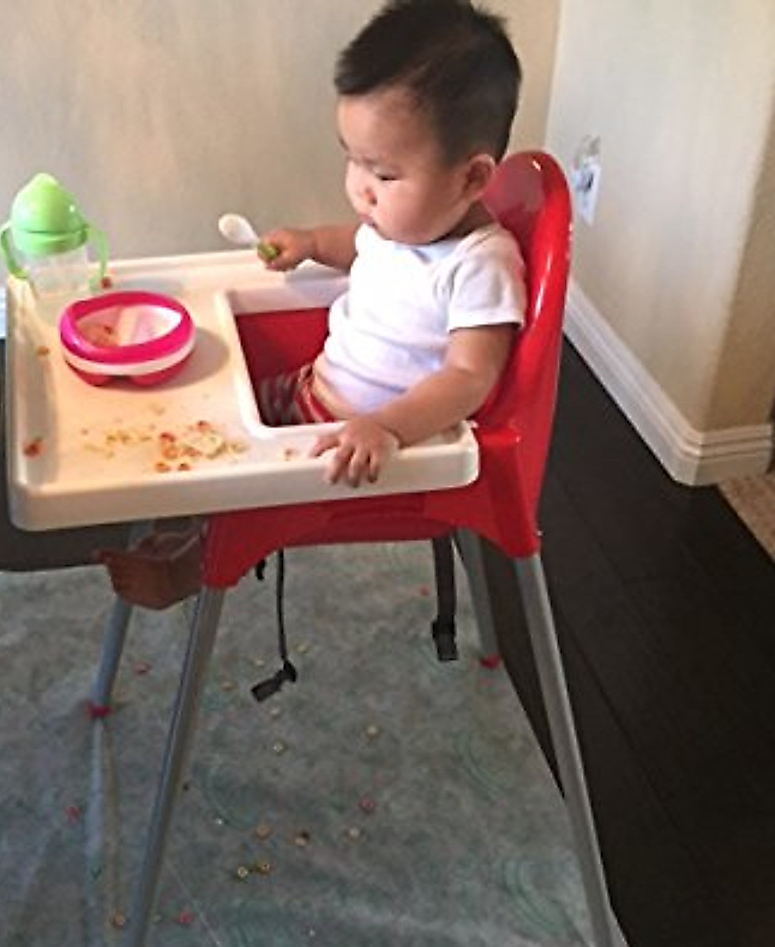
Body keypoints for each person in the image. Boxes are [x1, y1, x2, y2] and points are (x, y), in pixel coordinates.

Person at [100, 0, 526, 609]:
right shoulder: (399, 225)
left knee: (246, 484)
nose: (359, 188)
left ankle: (190, 567)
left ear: (472, 178)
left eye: (382, 173)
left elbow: (470, 377)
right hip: (311, 389)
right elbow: (357, 246)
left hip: (354, 443)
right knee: (209, 431)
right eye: (351, 158)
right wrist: (308, 243)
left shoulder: (480, 264)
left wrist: (387, 428)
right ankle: (197, 528)